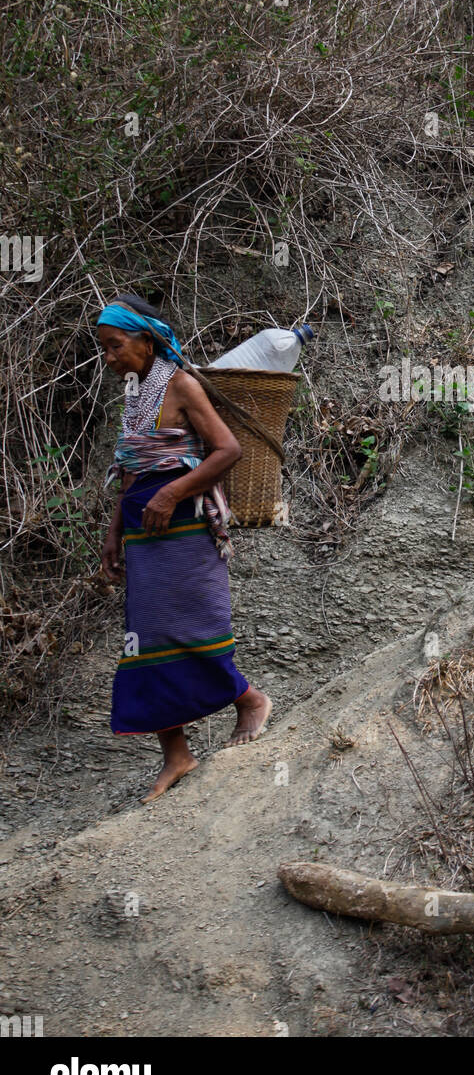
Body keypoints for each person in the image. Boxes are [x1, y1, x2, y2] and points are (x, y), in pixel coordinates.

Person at [97, 294, 271, 801]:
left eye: (115, 346)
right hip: (142, 533)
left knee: (195, 627)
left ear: (145, 341)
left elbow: (228, 450)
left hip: (186, 529)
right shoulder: (135, 394)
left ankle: (250, 700)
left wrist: (173, 492)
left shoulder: (181, 384)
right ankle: (177, 753)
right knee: (144, 639)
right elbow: (132, 468)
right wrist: (113, 533)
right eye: (104, 349)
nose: (109, 358)